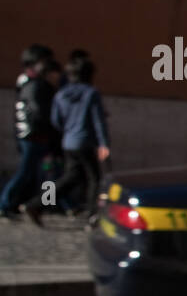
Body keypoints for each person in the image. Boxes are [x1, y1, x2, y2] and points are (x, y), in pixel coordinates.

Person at [1, 44, 58, 223]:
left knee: (38, 173)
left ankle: (33, 203)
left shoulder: (28, 82)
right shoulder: (32, 84)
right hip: (32, 136)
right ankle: (5, 204)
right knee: (26, 173)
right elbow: (38, 111)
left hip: (34, 135)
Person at [50, 55, 110, 221]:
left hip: (68, 141)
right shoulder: (91, 93)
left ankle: (38, 203)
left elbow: (56, 120)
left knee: (71, 177)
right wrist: (104, 143)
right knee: (94, 178)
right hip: (85, 141)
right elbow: (98, 121)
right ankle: (92, 213)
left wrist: (68, 131)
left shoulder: (61, 94)